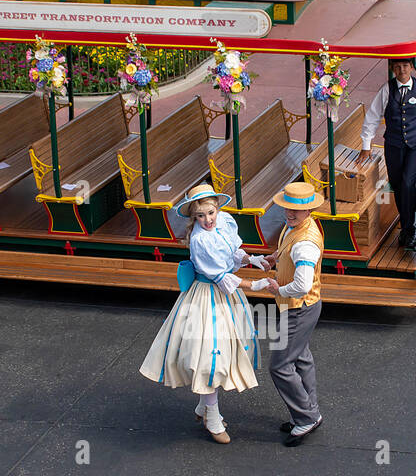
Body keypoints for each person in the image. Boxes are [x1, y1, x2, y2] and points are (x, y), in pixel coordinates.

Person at [138, 184, 267, 444]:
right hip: (207, 296)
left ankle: (203, 407)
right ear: (194, 217)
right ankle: (212, 416)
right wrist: (255, 284)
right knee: (210, 358)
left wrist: (252, 260)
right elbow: (221, 277)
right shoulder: (199, 240)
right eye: (201, 216)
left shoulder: (225, 222)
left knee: (220, 354)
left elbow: (232, 253)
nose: (208, 220)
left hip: (226, 299)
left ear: (217, 209)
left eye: (211, 213)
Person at [259, 183, 325, 447]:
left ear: (308, 209)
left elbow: (302, 285)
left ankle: (306, 417)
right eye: (288, 207)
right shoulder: (298, 228)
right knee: (301, 358)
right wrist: (276, 257)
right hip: (300, 307)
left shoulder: (305, 245)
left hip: (298, 306)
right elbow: (289, 247)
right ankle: (310, 411)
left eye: (296, 210)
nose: (290, 213)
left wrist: (278, 287)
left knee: (279, 365)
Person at [359, 58, 416, 251]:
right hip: (394, 145)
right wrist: (366, 145)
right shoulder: (387, 90)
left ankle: (408, 230)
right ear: (393, 68)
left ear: (411, 67)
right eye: (398, 67)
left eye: (405, 66)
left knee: (409, 182)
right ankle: (405, 224)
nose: (402, 70)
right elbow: (372, 117)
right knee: (399, 185)